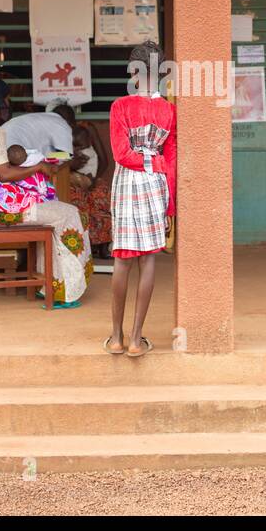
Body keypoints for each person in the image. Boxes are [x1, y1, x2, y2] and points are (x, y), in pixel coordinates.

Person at [0, 74, 91, 307]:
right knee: (69, 213)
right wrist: (38, 168)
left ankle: (50, 285)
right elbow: (3, 174)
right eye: (7, 98)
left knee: (54, 212)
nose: (9, 104)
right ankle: (65, 292)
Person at [106, 41, 176, 358]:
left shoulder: (120, 107)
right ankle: (136, 339)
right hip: (156, 184)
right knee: (148, 259)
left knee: (123, 259)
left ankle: (116, 337)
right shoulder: (169, 111)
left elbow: (121, 155)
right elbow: (170, 161)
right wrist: (170, 203)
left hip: (127, 183)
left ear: (135, 72)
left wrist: (144, 160)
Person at [67, 124, 114, 258]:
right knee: (76, 200)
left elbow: (104, 161)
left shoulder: (86, 128)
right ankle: (82, 245)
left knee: (101, 197)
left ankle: (104, 244)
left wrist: (93, 179)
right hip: (71, 177)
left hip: (92, 177)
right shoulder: (55, 134)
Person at [3, 103, 82, 162]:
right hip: (14, 151)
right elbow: (66, 158)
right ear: (72, 123)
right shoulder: (62, 123)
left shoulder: (41, 118)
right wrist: (73, 160)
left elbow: (46, 155)